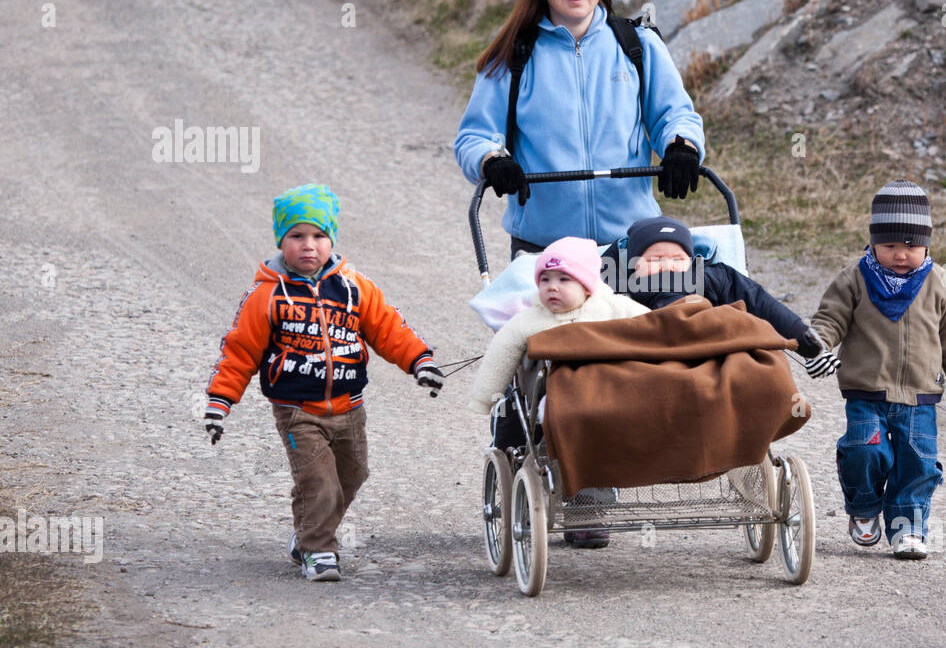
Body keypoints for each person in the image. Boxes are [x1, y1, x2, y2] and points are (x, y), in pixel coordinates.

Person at [203, 184, 444, 581]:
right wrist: (219, 402)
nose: (308, 246)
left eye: (319, 236)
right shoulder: (265, 296)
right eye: (296, 236)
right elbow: (239, 352)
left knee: (353, 475)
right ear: (282, 241)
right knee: (318, 481)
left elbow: (389, 329)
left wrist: (420, 361)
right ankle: (318, 551)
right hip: (297, 411)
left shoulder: (354, 288)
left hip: (350, 407)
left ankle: (306, 535)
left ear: (332, 238)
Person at [454, 0, 706, 258]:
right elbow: (474, 137)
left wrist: (682, 147)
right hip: (543, 249)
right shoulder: (513, 55)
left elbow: (673, 115)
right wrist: (492, 161)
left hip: (630, 243)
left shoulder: (638, 46)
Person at [805, 180, 946, 560]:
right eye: (889, 245)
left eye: (910, 245)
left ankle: (907, 528)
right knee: (864, 450)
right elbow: (829, 320)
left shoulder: (938, 281)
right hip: (866, 390)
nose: (900, 255)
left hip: (919, 395)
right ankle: (863, 508)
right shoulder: (855, 278)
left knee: (918, 463)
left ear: (926, 244)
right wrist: (817, 346)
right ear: (873, 242)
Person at [468, 236, 648, 548]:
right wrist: (487, 396)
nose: (553, 287)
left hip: (605, 399)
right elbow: (501, 352)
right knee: (521, 427)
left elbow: (653, 325)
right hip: (549, 400)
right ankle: (527, 501)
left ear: (588, 286)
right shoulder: (530, 319)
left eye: (565, 279)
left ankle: (588, 511)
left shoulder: (611, 307)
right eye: (545, 279)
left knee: (598, 448)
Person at [606, 215, 838, 366]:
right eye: (656, 259)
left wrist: (802, 336)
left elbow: (758, 300)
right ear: (634, 265)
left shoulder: (712, 276)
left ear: (692, 260)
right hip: (649, 352)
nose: (667, 266)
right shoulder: (622, 288)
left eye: (677, 258)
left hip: (709, 345)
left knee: (750, 352)